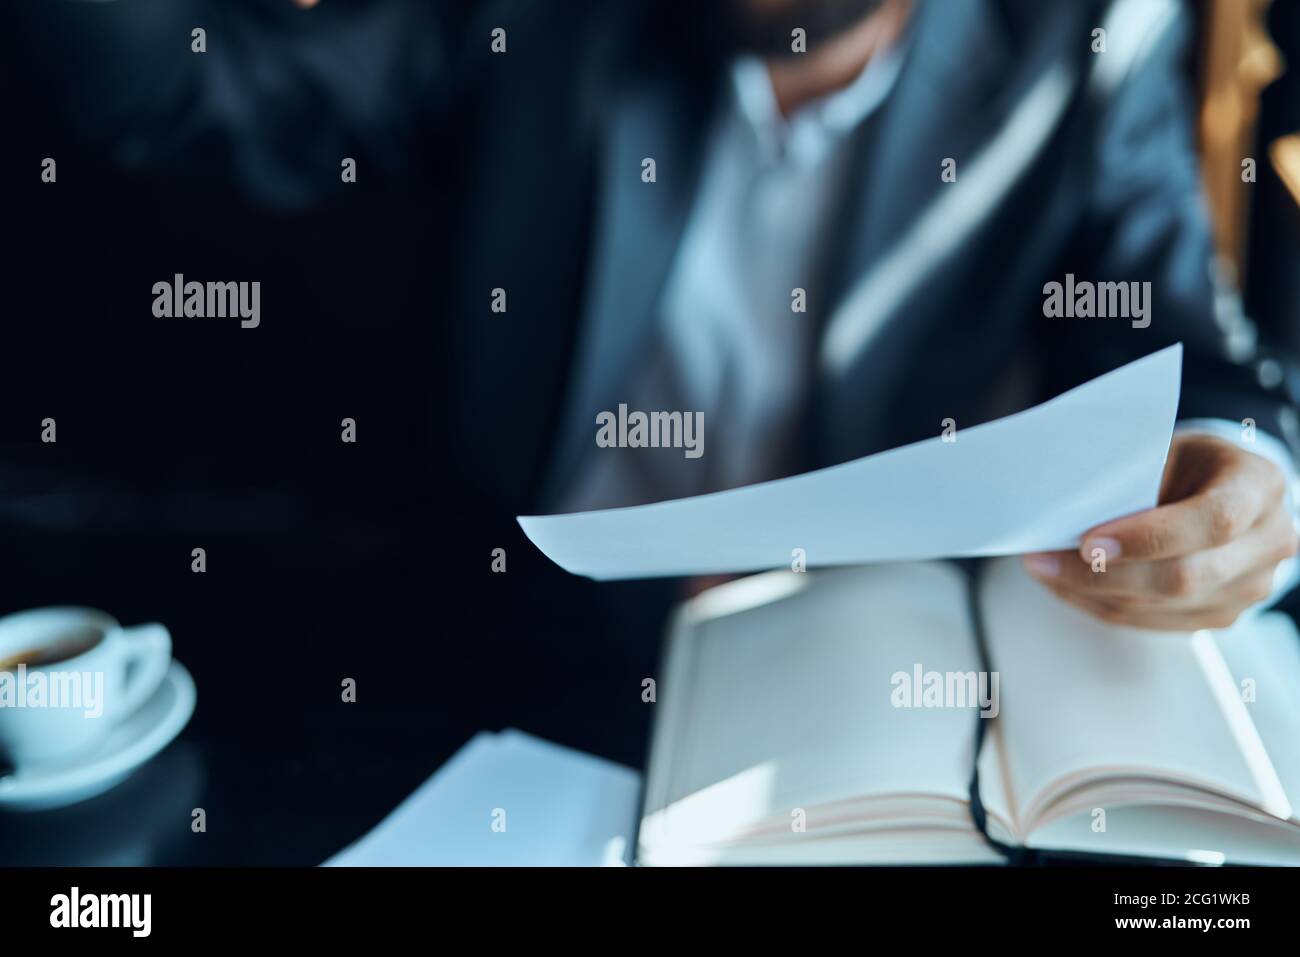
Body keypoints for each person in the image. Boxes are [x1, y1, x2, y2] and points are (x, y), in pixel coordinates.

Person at [11, 0, 1300, 635]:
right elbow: (189, 84)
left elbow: (1177, 337)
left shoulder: (1086, 41)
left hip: (870, 655)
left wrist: (1253, 467)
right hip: (507, 626)